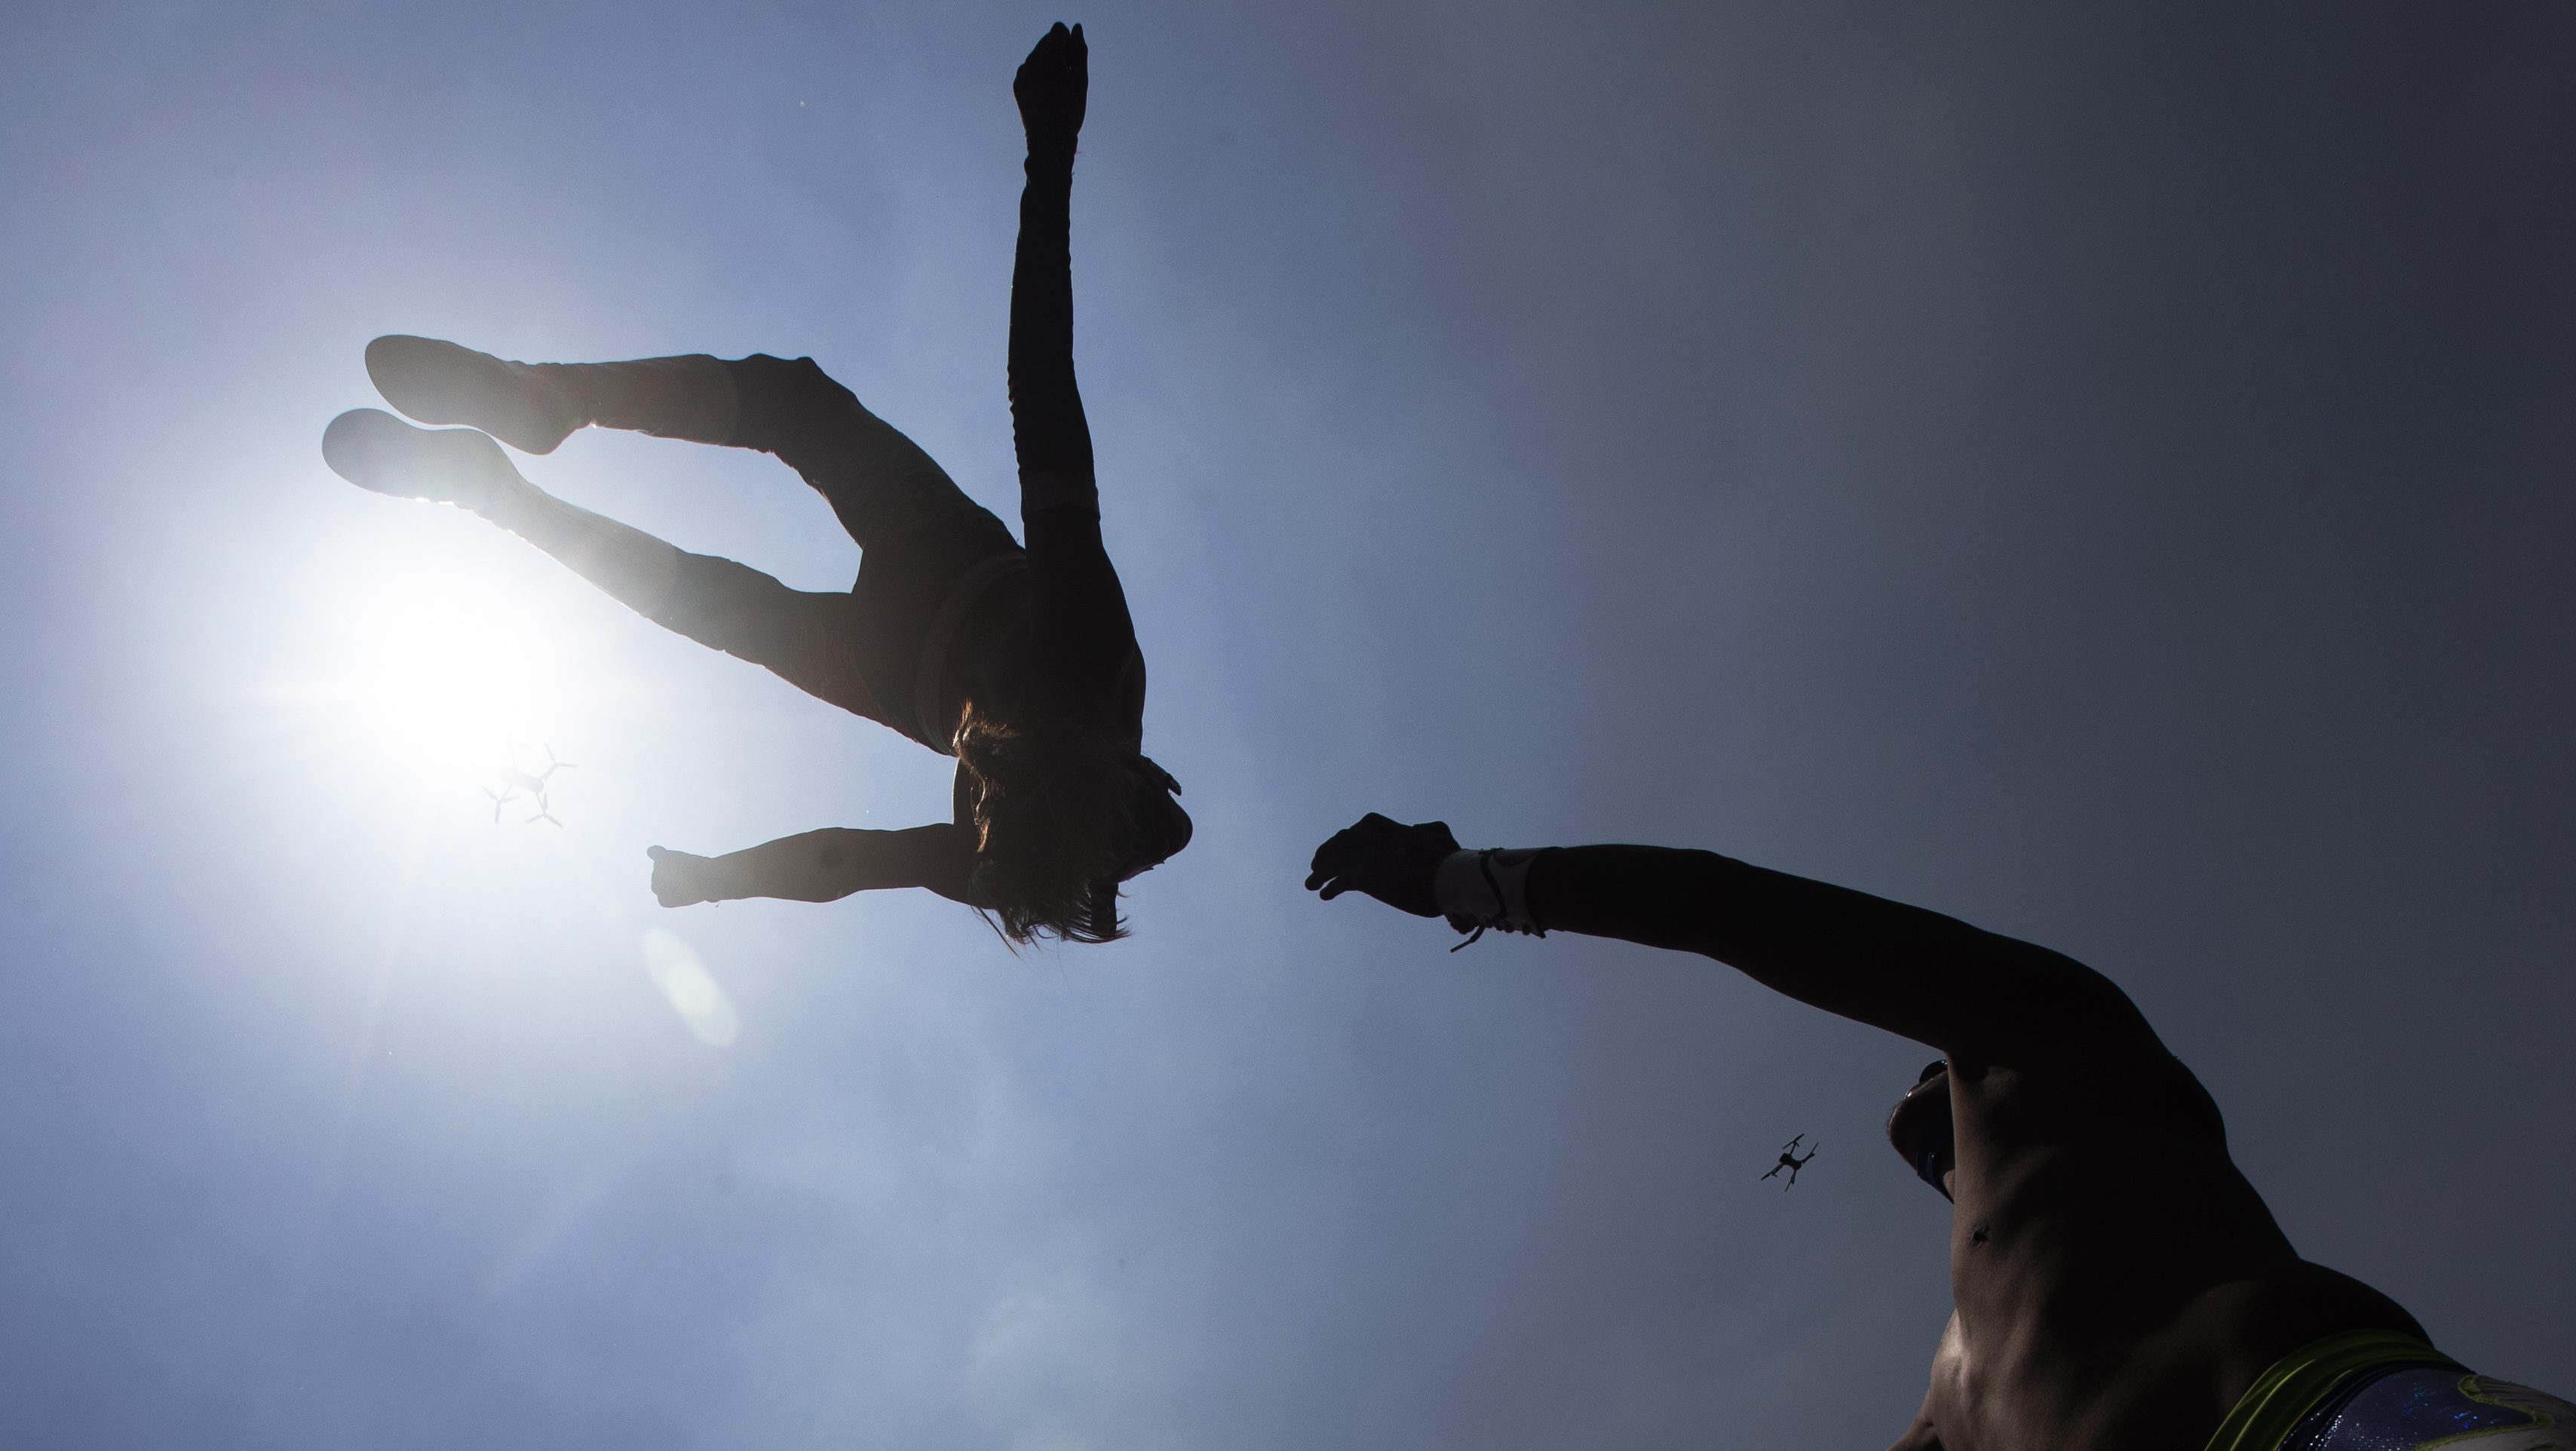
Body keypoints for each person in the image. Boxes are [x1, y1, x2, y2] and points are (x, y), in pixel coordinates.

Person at [1305, 813, 2573, 1449]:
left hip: (2317, 1418)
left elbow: (1721, 904)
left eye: (1935, 1067)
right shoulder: (1959, 1373)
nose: (1920, 1091)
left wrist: (1466, 881)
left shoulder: (2064, 1040)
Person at [320, 23, 1187, 944]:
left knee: (790, 410)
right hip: (904, 673)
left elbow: (1042, 392)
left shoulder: (1086, 669)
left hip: (944, 574)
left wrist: (1049, 153)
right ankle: (504, 497)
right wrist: (715, 880)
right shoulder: (1009, 837)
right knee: (719, 605)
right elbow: (851, 862)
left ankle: (556, 400)